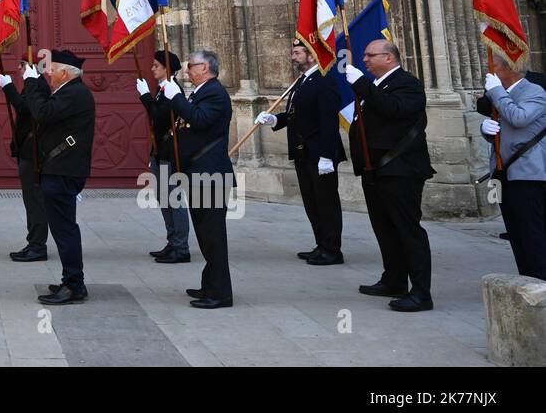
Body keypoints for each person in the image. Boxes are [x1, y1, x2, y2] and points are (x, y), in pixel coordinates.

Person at [344, 40, 434, 312]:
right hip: (376, 170)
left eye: (370, 55)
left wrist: (362, 85)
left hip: (400, 170)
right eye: (365, 55)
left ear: (389, 57)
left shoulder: (407, 83)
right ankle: (394, 279)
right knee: (384, 228)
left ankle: (421, 292)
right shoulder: (380, 84)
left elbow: (393, 109)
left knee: (407, 230)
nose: (365, 60)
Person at [255, 41, 346, 264]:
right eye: (293, 53)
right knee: (311, 202)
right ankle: (321, 244)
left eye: (297, 53)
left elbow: (328, 121)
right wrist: (275, 119)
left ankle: (332, 250)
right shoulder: (303, 81)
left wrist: (327, 155)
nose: (293, 57)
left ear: (312, 55)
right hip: (303, 152)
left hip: (319, 154)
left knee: (326, 203)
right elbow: (296, 114)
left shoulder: (324, 81)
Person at [21, 50, 96, 305]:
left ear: (64, 73)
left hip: (64, 170)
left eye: (51, 69)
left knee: (65, 230)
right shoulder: (67, 92)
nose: (47, 73)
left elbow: (42, 113)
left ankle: (74, 283)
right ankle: (71, 279)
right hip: (59, 168)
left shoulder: (74, 93)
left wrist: (31, 83)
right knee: (63, 228)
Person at [163, 49, 235, 309]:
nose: (187, 70)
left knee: (213, 236)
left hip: (210, 175)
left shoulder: (214, 92)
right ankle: (210, 285)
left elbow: (200, 120)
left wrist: (177, 99)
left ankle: (221, 293)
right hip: (198, 174)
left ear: (205, 67)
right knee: (205, 235)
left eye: (191, 66)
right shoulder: (203, 91)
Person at [479, 55, 546, 281]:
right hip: (503, 174)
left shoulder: (534, 92)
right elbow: (507, 133)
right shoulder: (502, 95)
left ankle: (540, 283)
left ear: (510, 69)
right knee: (516, 235)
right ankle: (527, 281)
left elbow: (519, 118)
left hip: (528, 175)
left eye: (494, 66)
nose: (489, 71)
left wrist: (497, 92)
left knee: (532, 234)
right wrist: (485, 130)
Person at [136, 49, 190, 264]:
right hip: (160, 151)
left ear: (166, 69)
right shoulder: (163, 89)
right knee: (164, 198)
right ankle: (172, 241)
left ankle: (181, 246)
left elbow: (159, 117)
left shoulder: (172, 89)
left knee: (173, 199)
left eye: (156, 66)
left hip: (170, 151)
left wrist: (145, 97)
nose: (152, 69)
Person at [0, 65, 47, 263]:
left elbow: (25, 109)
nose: (19, 69)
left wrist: (9, 88)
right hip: (27, 151)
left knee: (35, 201)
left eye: (22, 65)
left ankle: (37, 246)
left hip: (33, 153)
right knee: (31, 200)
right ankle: (33, 242)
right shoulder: (34, 85)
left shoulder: (39, 85)